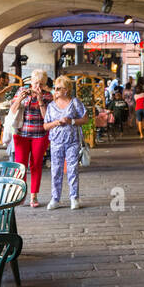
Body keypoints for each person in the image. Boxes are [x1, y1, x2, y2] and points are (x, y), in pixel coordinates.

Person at [9, 69, 54, 205]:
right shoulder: (22, 91)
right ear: (31, 82)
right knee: (20, 165)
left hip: (39, 135)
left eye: (41, 84)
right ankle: (20, 194)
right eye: (35, 83)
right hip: (21, 134)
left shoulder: (48, 96)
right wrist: (20, 99)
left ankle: (33, 196)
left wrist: (40, 100)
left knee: (36, 165)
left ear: (45, 84)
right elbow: (12, 110)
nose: (37, 87)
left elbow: (47, 117)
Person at [45, 75, 89, 210]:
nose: (55, 91)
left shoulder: (75, 102)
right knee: (56, 170)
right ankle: (55, 198)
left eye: (58, 88)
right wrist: (57, 122)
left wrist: (72, 121)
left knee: (72, 169)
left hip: (72, 141)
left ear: (66, 90)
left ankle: (74, 197)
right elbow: (45, 126)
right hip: (56, 142)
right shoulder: (51, 106)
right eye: (55, 88)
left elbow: (85, 119)